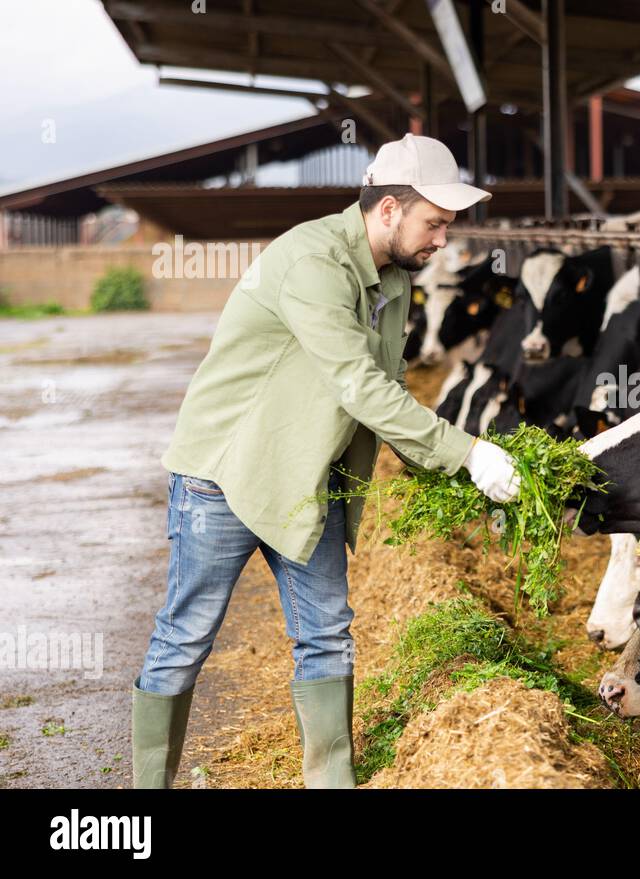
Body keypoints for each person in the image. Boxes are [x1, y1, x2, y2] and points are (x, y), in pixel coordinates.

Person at [131, 134, 520, 789]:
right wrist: (469, 451)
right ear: (390, 209)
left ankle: (331, 782)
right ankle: (145, 793)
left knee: (327, 634)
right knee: (186, 635)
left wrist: (463, 475)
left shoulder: (393, 282)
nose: (442, 240)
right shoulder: (313, 260)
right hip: (226, 473)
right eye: (435, 223)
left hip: (309, 476)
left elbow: (388, 390)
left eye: (448, 226)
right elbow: (357, 384)